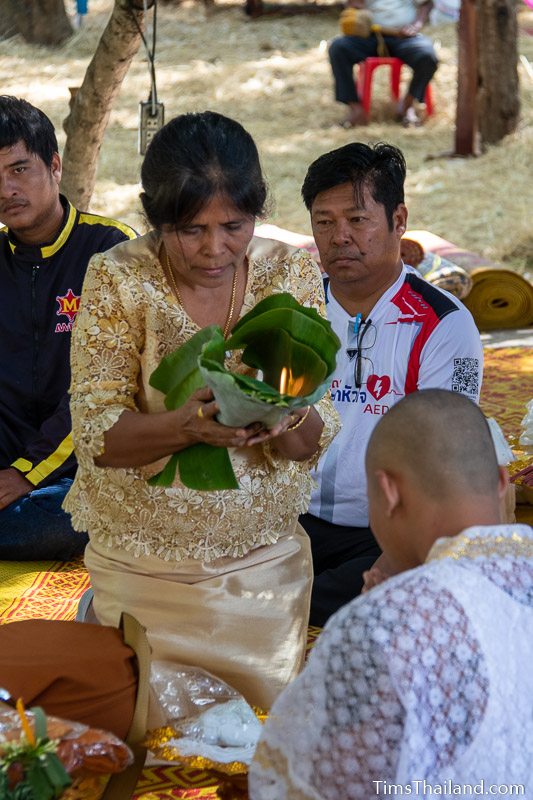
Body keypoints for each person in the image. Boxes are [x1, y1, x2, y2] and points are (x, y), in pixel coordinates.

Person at [64, 110, 340, 710]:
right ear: (154, 217)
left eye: (234, 225)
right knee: (144, 728)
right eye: (190, 229)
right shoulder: (118, 277)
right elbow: (98, 437)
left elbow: (308, 443)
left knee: (258, 727)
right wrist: (182, 427)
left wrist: (283, 414)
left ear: (257, 213)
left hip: (259, 567)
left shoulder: (286, 269)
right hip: (144, 562)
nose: (215, 249)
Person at [249, 389, 533, 799]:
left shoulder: (383, 625)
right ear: (502, 481)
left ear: (388, 492)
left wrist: (385, 611)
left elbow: (320, 782)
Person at [299, 142, 483, 626]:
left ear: (398, 220)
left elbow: (446, 458)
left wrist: (393, 558)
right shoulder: (295, 313)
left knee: (411, 584)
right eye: (324, 222)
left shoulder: (445, 325)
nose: (339, 237)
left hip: (392, 532)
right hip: (295, 521)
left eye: (357, 220)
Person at [0, 95, 136, 561]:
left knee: (75, 512)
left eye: (19, 169)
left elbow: (102, 390)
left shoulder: (111, 252)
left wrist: (26, 473)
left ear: (54, 166)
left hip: (87, 466)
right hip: (11, 459)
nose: (6, 189)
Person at [329, 0, 438, 127]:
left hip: (405, 37)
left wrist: (417, 24)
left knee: (427, 56)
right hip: (368, 36)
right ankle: (356, 109)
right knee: (338, 48)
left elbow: (426, 3)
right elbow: (350, 4)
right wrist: (353, 6)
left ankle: (407, 105)